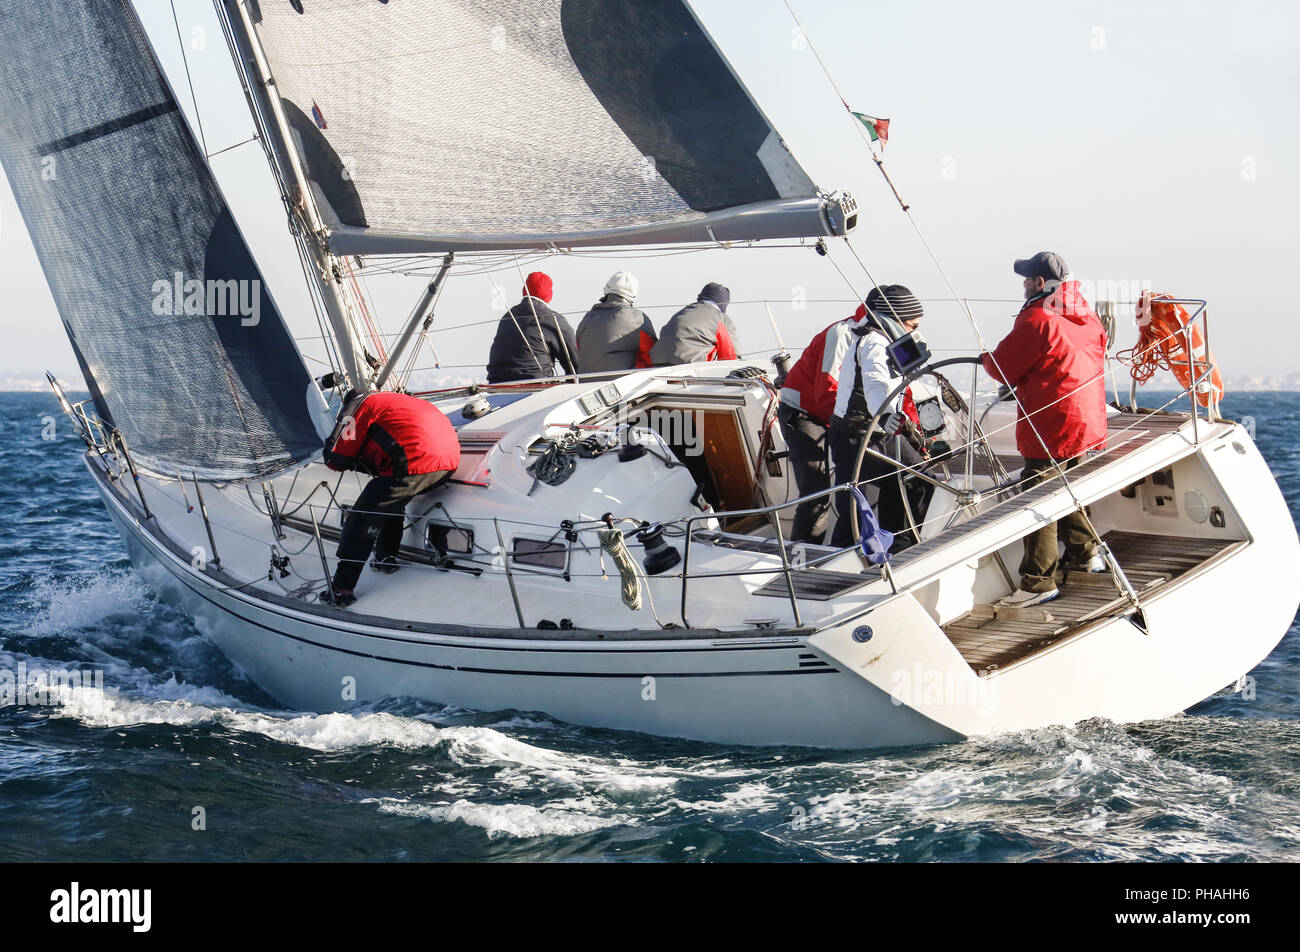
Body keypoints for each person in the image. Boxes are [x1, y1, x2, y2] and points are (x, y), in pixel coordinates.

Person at [982, 251, 1108, 607]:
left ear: (1039, 283)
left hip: (1051, 424)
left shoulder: (1038, 319)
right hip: (1086, 421)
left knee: (1038, 499)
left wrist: (985, 359)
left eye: (1026, 279)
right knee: (1070, 490)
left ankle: (1038, 582)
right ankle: (1087, 555)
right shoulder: (1088, 317)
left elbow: (1002, 367)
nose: (1022, 285)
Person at [320, 390, 461, 607]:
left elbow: (336, 460)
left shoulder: (362, 403)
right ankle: (385, 557)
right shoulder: (399, 401)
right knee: (389, 498)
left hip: (414, 462)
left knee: (362, 517)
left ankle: (341, 589)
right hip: (448, 464)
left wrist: (330, 451)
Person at [827, 285, 929, 550]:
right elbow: (875, 385)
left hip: (881, 434)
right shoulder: (873, 342)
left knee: (917, 476)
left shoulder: (893, 342)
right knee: (860, 507)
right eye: (911, 325)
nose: (914, 331)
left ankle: (901, 539)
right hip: (856, 436)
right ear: (894, 320)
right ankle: (845, 560)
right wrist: (884, 416)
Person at [776, 310, 859, 544]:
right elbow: (827, 392)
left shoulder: (880, 339)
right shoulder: (842, 334)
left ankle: (847, 546)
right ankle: (803, 559)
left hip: (833, 413)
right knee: (816, 489)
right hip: (803, 412)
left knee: (855, 476)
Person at [486, 271, 578, 383]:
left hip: (497, 383)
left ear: (524, 290)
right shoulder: (553, 319)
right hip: (535, 384)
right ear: (549, 294)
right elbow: (574, 360)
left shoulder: (508, 316)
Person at [574, 271, 657, 374]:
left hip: (585, 383)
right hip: (623, 385)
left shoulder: (588, 318)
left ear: (607, 291)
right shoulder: (638, 319)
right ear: (633, 296)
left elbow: (578, 348)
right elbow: (652, 357)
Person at [649, 282, 738, 366]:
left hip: (657, 365)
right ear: (723, 304)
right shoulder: (721, 318)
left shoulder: (684, 312)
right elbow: (730, 357)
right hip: (691, 368)